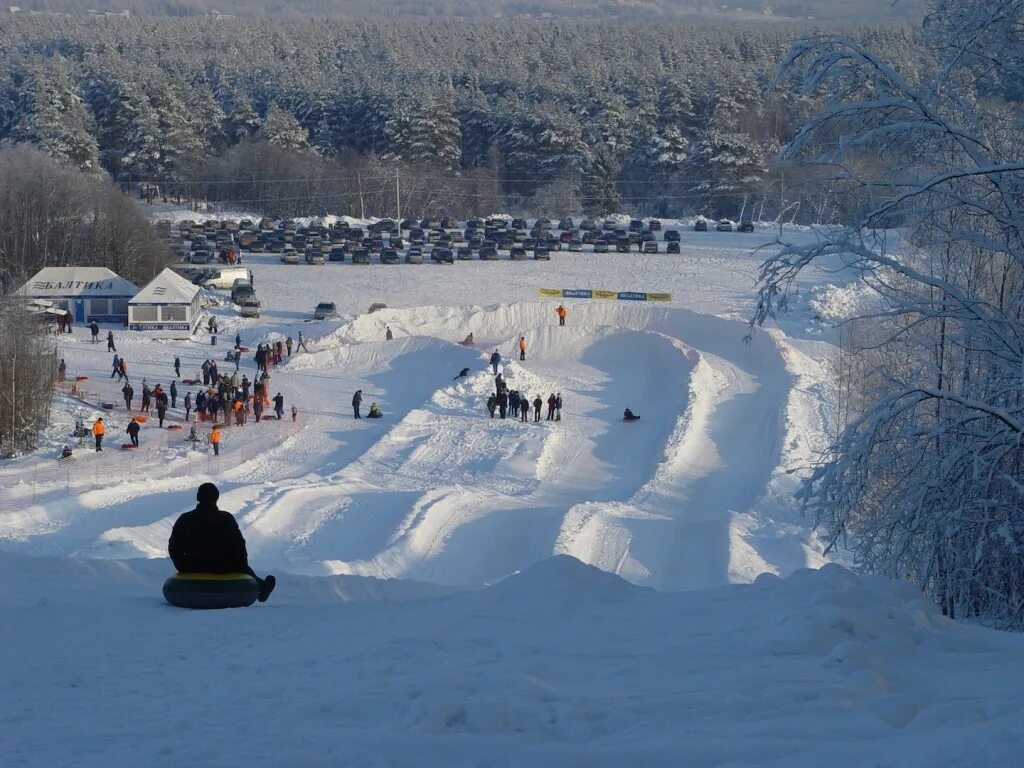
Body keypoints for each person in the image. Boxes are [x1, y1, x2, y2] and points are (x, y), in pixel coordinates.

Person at [168, 482, 276, 603]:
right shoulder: (226, 519)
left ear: (198, 497)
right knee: (242, 566)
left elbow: (174, 547)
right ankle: (261, 587)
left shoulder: (185, 519)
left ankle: (260, 585)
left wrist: (183, 567)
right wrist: (243, 567)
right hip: (224, 568)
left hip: (193, 565)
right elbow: (239, 547)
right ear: (217, 497)